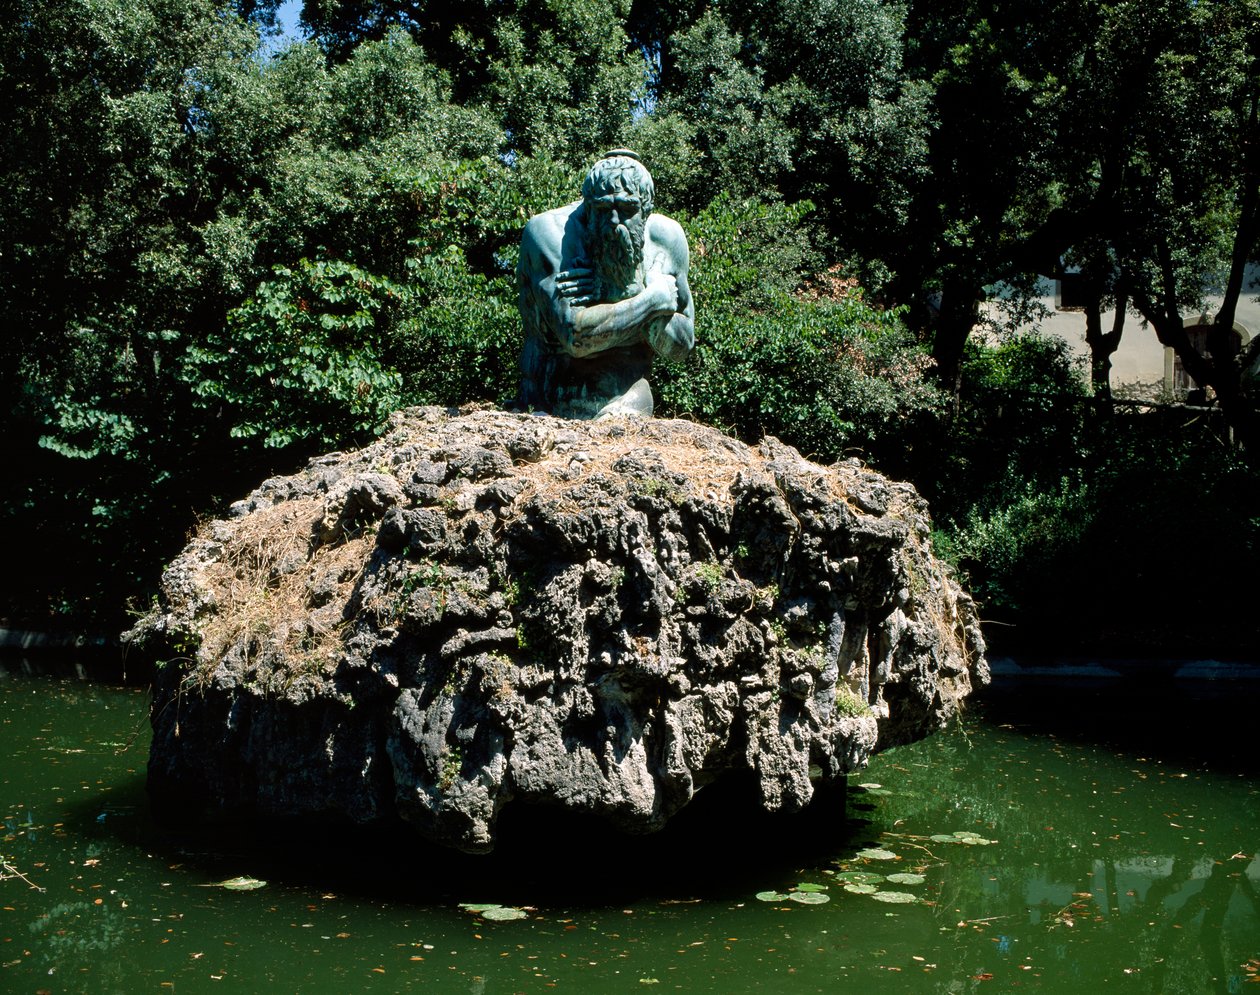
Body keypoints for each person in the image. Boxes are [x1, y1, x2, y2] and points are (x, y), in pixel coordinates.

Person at [517, 150, 695, 417]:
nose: (613, 221)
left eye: (626, 209)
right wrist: (651, 300)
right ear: (587, 206)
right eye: (602, 209)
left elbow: (682, 346)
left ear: (646, 209)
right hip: (548, 397)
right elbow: (575, 338)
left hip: (627, 394)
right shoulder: (551, 233)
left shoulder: (665, 240)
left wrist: (619, 298)